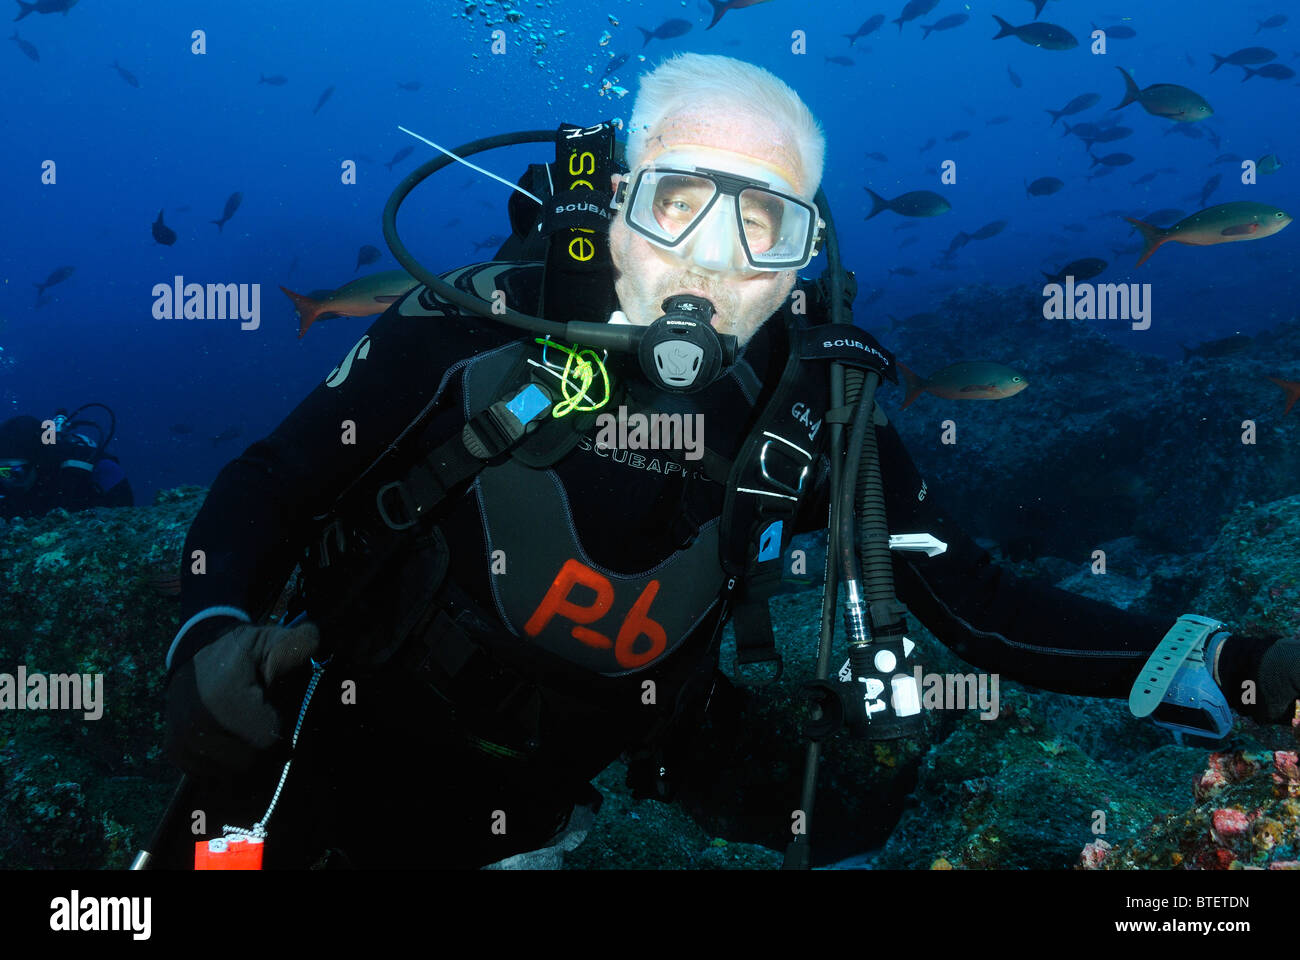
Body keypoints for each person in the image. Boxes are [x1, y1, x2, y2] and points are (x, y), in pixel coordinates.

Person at [160, 54, 1300, 870]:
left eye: (768, 223)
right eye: (679, 201)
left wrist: (1245, 664)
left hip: (554, 804)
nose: (716, 257)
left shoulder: (814, 411)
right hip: (310, 760)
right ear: (611, 209)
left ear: (806, 259)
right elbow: (271, 484)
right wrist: (206, 637)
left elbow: (981, 609)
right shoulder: (469, 330)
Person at [0, 405, 133, 520]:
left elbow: (126, 511)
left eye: (15, 473)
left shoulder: (81, 470)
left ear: (38, 464)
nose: (6, 481)